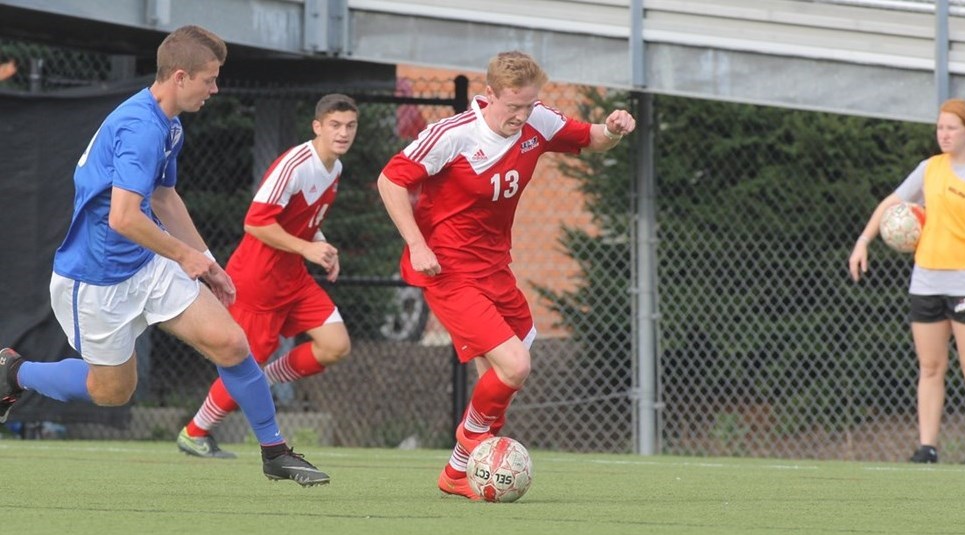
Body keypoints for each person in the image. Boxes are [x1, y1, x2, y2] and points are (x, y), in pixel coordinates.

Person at [0, 25, 328, 486]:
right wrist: (185, 257)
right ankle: (16, 373)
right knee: (111, 391)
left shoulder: (168, 122)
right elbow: (123, 217)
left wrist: (206, 260)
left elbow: (165, 199)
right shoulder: (141, 129)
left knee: (231, 342)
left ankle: (274, 452)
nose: (215, 89)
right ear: (179, 76)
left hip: (146, 262)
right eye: (209, 79)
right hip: (94, 279)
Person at [376, 51, 636, 498]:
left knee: (499, 378)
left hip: (496, 269)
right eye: (513, 106)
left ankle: (457, 474)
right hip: (448, 270)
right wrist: (417, 244)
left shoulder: (539, 121)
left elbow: (592, 138)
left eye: (529, 105)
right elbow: (390, 180)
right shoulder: (453, 135)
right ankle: (472, 442)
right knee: (514, 365)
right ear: (490, 94)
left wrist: (612, 130)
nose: (521, 116)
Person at [176, 94, 357, 458]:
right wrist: (307, 249)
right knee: (242, 360)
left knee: (335, 345)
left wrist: (321, 245)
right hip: (258, 279)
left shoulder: (334, 169)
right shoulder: (296, 164)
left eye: (350, 126)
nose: (343, 133)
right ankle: (194, 433)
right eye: (335, 125)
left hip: (293, 277)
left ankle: (265, 380)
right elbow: (255, 222)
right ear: (317, 126)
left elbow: (304, 222)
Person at [848, 98, 965, 466]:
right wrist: (863, 242)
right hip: (926, 281)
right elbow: (890, 204)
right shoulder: (928, 169)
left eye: (952, 127)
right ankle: (928, 448)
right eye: (940, 127)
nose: (944, 134)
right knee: (931, 366)